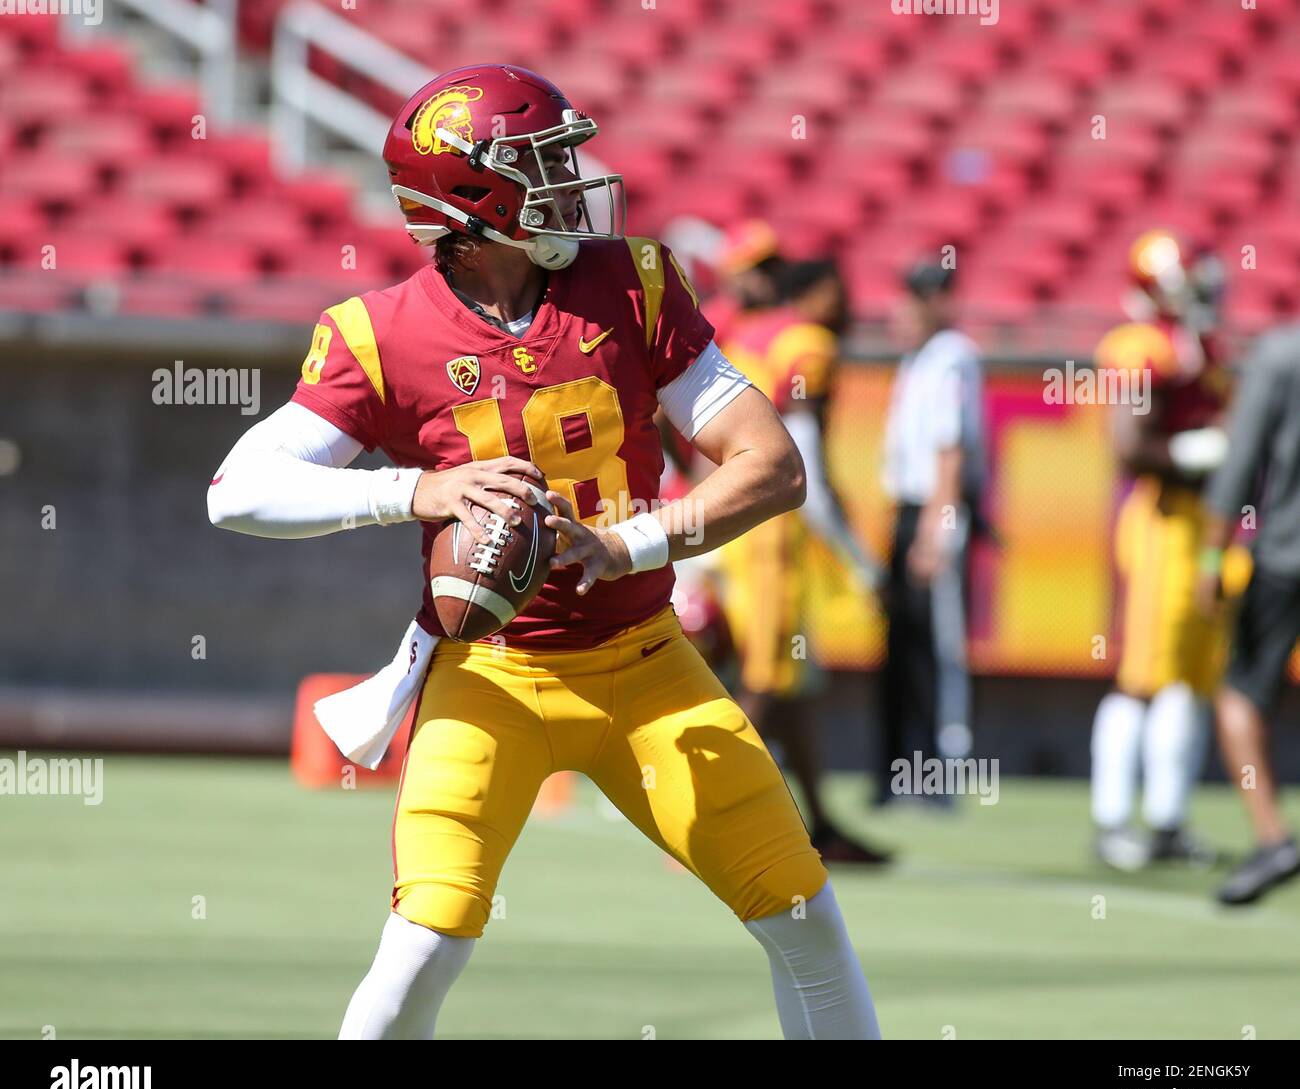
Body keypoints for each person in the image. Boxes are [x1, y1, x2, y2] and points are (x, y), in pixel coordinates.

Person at [207, 64, 880, 1039]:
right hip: (493, 676)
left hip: (648, 662)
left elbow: (770, 465)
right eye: (542, 162)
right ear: (469, 198)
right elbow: (239, 488)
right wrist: (415, 489)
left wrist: (627, 541)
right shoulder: (379, 333)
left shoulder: (634, 284)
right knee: (424, 946)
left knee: (806, 920)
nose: (572, 178)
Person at [718, 258, 891, 863]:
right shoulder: (808, 344)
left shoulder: (745, 336)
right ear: (812, 293)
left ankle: (818, 823)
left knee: (793, 686)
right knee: (766, 681)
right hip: (773, 536)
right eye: (838, 292)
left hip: (738, 526)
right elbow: (806, 460)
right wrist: (860, 556)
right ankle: (702, 815)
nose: (848, 307)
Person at [1088, 230, 1238, 871]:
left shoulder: (1198, 345)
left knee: (1190, 678)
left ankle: (1169, 821)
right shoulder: (1142, 346)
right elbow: (1130, 446)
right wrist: (1194, 452)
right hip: (1160, 519)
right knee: (1142, 678)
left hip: (1204, 526)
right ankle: (1114, 819)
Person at [1196, 323, 1300, 905]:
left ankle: (1272, 838)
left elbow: (1239, 463)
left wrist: (1212, 555)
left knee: (1239, 695)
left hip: (1285, 558)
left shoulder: (1281, 355)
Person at [878, 260, 985, 805]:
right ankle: (901, 772)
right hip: (909, 508)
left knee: (939, 650)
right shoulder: (919, 359)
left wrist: (935, 532)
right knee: (905, 646)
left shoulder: (951, 357)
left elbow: (950, 451)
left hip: (932, 511)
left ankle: (941, 774)